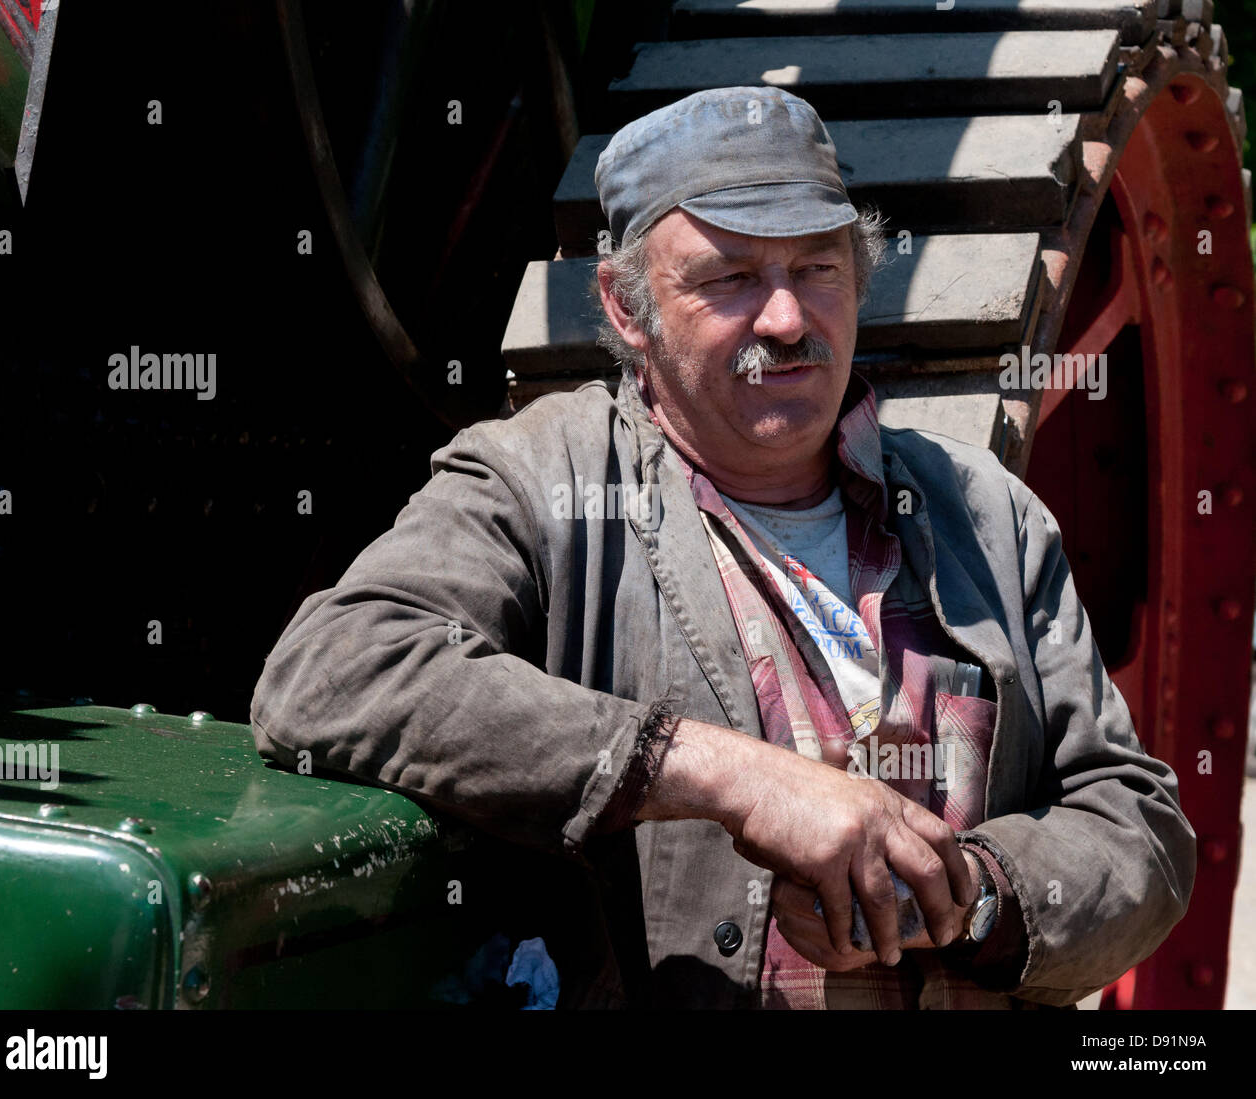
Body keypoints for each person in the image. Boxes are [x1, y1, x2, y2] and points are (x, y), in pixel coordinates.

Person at [250, 86, 1195, 1009]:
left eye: (818, 269)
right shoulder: (540, 482)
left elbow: (1138, 822)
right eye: (731, 278)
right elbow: (332, 671)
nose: (785, 321)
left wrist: (971, 894)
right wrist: (729, 776)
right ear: (626, 308)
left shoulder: (987, 515)